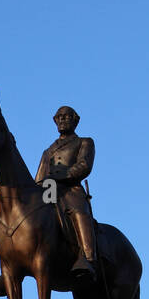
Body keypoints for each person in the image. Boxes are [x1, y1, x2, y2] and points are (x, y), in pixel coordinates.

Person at [35, 105, 97, 284]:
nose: (62, 119)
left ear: (75, 120)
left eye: (66, 116)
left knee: (78, 212)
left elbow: (84, 165)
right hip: (49, 190)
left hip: (70, 189)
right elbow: (39, 178)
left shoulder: (84, 142)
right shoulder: (47, 152)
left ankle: (88, 256)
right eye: (59, 117)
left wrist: (62, 175)